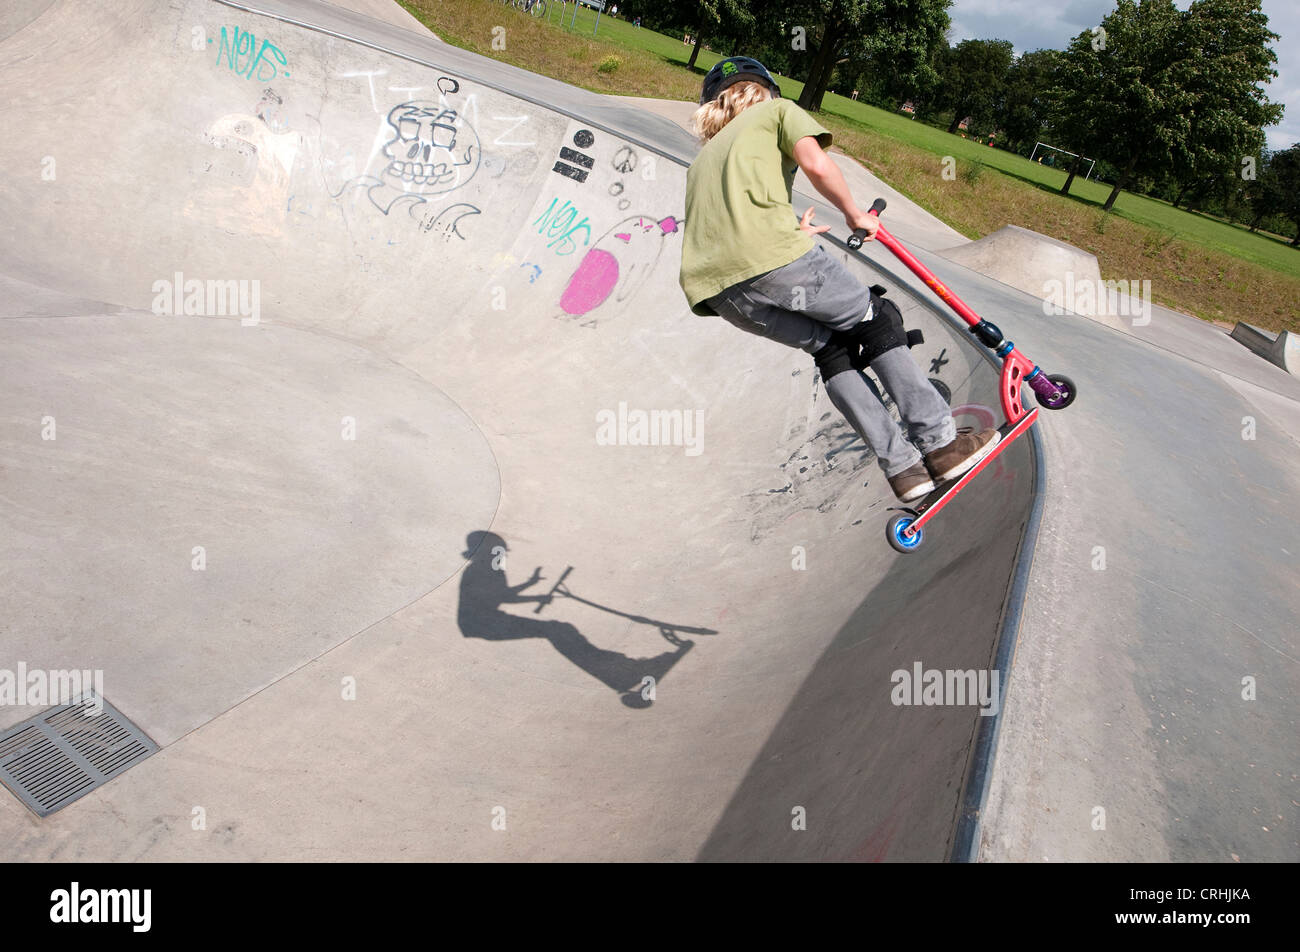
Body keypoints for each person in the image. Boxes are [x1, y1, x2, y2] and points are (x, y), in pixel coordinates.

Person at [678, 57, 999, 503]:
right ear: (765, 91)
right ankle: (942, 445)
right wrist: (854, 214)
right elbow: (817, 164)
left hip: (721, 293)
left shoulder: (704, 159)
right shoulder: (777, 111)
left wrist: (792, 232)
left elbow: (726, 227)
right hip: (777, 261)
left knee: (830, 349)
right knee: (877, 319)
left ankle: (905, 470)